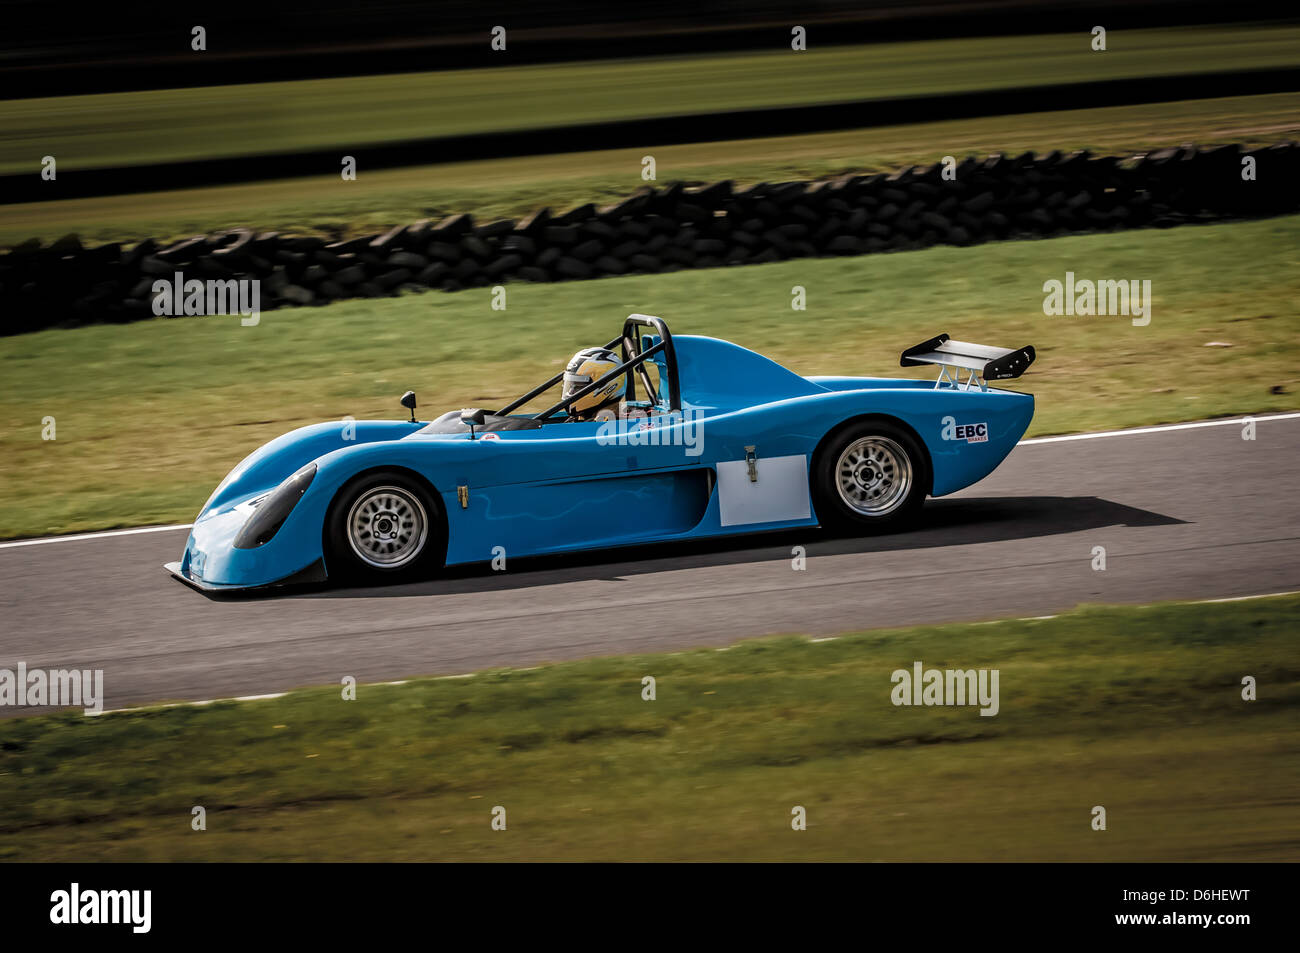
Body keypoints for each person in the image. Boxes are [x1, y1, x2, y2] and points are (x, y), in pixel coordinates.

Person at [561, 346, 626, 421]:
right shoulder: (582, 417)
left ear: (605, 385)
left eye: (578, 387)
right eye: (571, 386)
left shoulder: (614, 425)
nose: (570, 392)